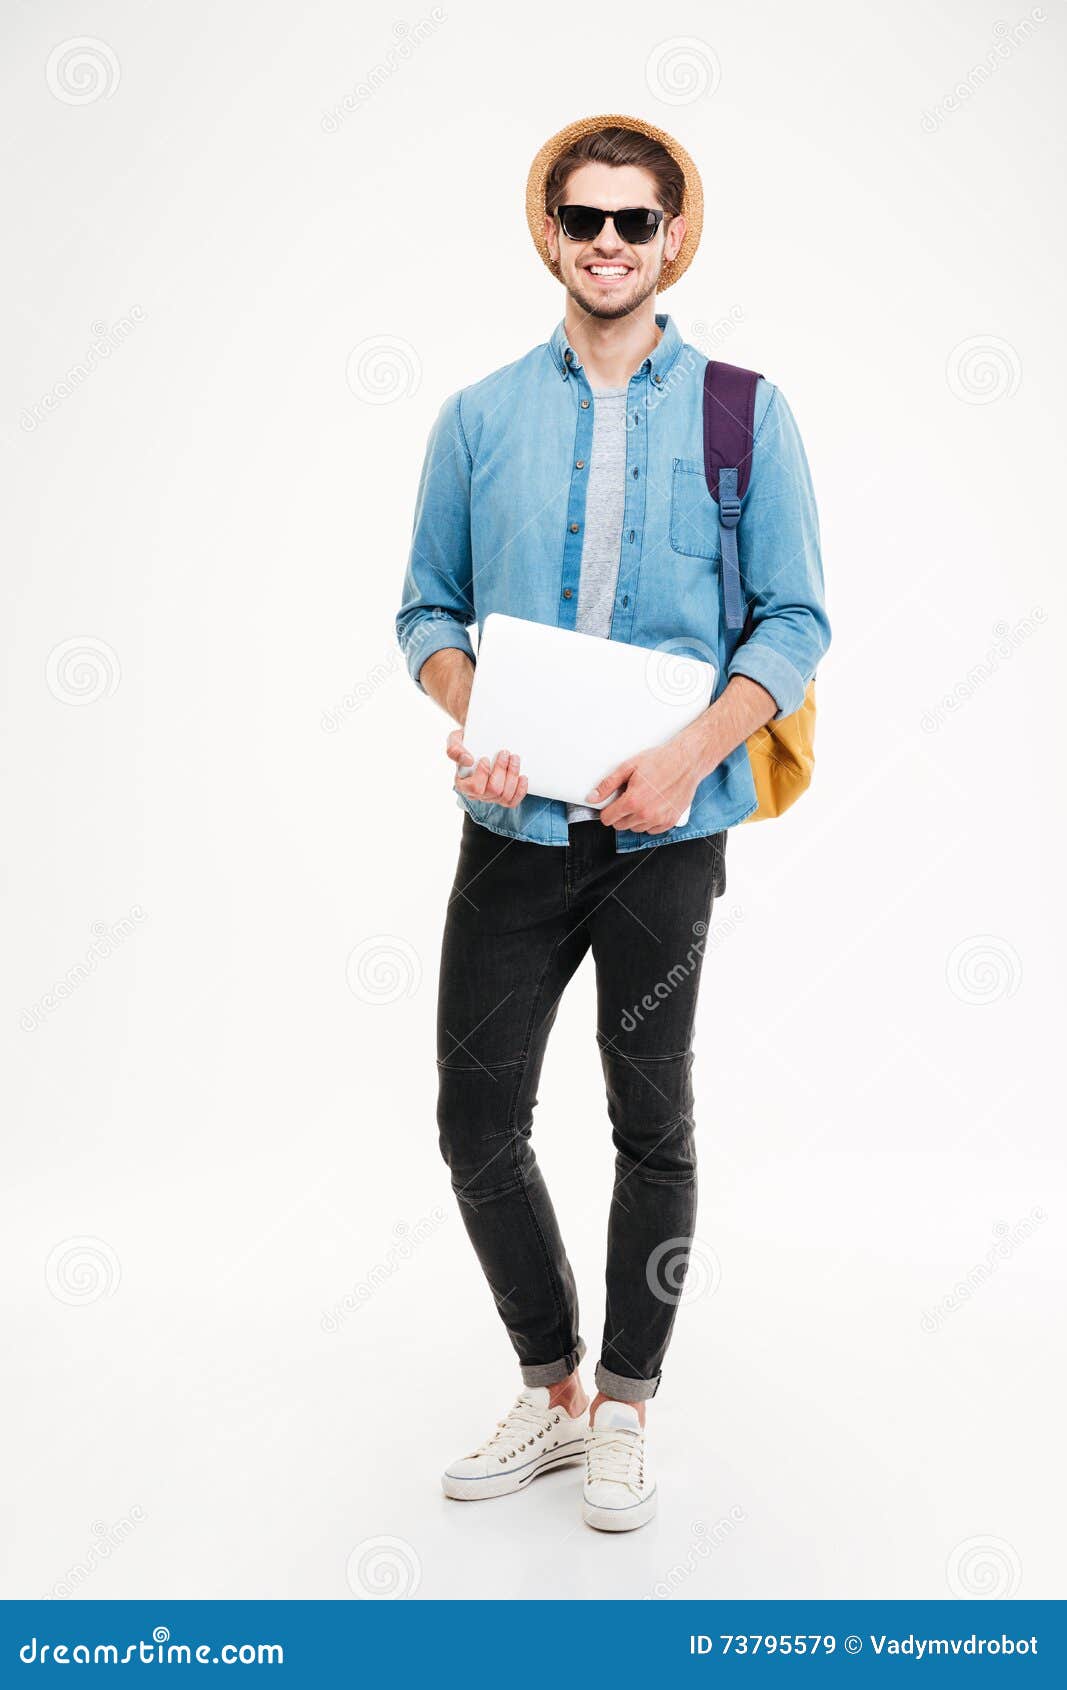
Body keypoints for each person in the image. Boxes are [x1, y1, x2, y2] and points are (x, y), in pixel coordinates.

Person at [396, 113, 830, 1532]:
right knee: (476, 1118)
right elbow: (428, 612)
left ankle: (629, 1403)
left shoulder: (743, 414)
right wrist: (476, 723)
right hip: (515, 836)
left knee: (652, 1115)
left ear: (675, 237)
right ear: (548, 231)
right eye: (582, 217)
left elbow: (796, 620)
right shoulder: (476, 417)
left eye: (634, 221)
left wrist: (687, 757)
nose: (606, 242)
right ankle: (553, 1383)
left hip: (667, 837)